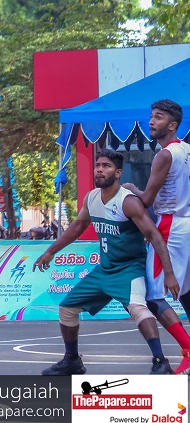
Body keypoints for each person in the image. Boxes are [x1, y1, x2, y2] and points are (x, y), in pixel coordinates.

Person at [33, 149, 180, 375]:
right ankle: (72, 360)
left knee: (139, 310)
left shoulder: (127, 202)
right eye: (98, 165)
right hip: (104, 269)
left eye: (106, 166)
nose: (100, 169)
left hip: (129, 269)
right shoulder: (92, 198)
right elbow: (77, 227)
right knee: (66, 309)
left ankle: (161, 361)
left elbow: (154, 236)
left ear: (118, 172)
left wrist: (169, 274)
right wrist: (51, 251)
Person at [121, 99, 190, 374]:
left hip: (170, 225)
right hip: (185, 222)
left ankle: (188, 348)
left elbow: (147, 198)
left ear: (171, 125)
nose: (152, 121)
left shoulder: (165, 155)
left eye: (158, 117)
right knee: (185, 293)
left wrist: (130, 187)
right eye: (151, 116)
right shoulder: (187, 149)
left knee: (153, 297)